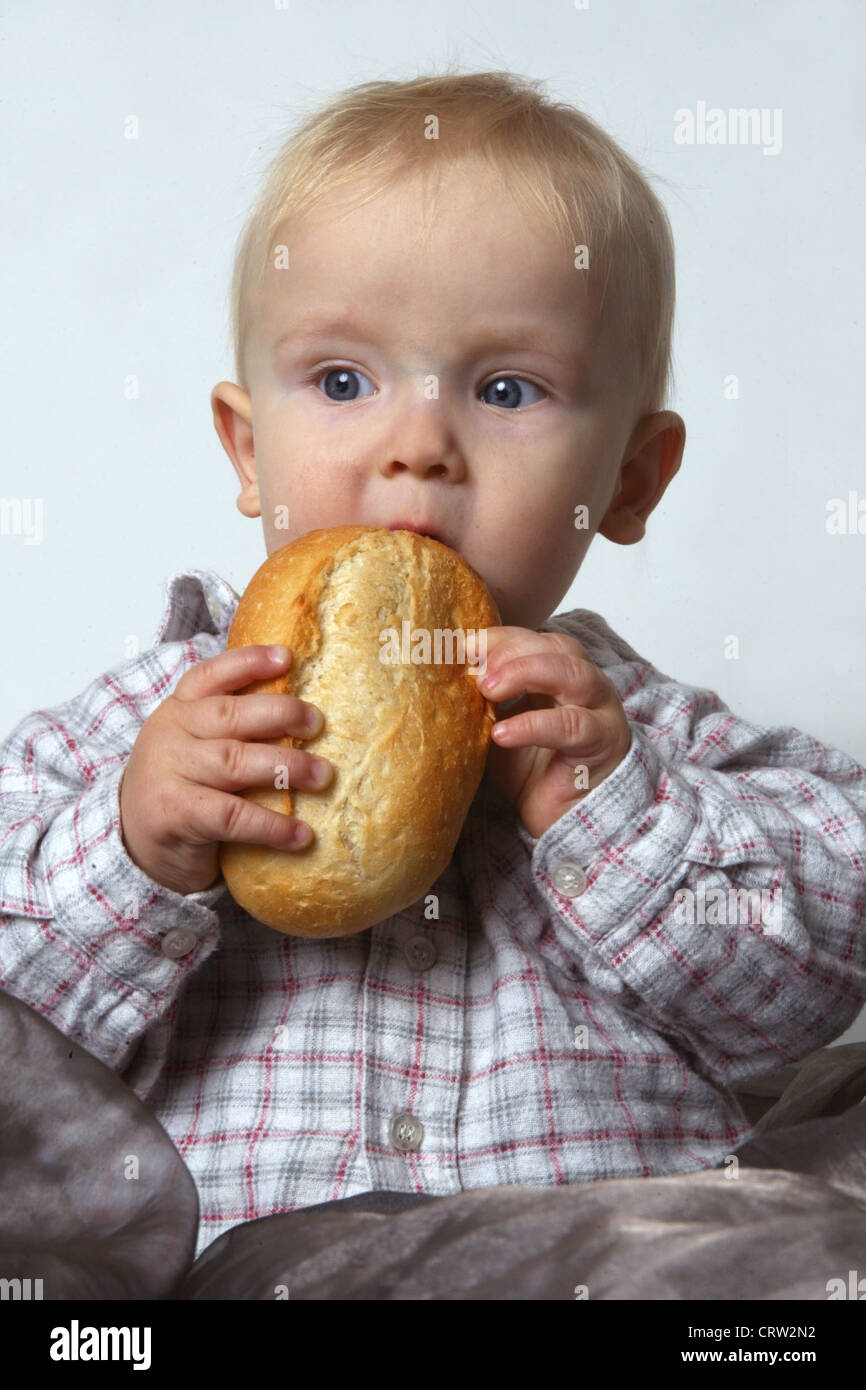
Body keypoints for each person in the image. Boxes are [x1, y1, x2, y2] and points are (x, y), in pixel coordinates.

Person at [2, 70, 864, 1265]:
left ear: (628, 479)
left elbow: (810, 986)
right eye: (343, 382)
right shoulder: (123, 737)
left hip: (583, 1267)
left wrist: (618, 814)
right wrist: (137, 851)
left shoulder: (649, 740)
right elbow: (17, 1077)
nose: (417, 447)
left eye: (505, 388)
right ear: (248, 450)